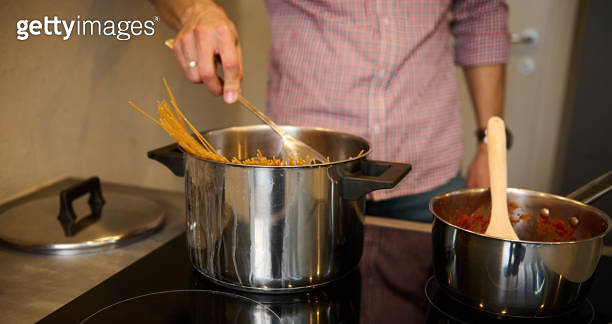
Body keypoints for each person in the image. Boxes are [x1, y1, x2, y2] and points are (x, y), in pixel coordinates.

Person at [150, 0, 510, 222]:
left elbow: (482, 15)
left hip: (429, 172)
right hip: (305, 181)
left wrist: (487, 141)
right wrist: (198, 9)